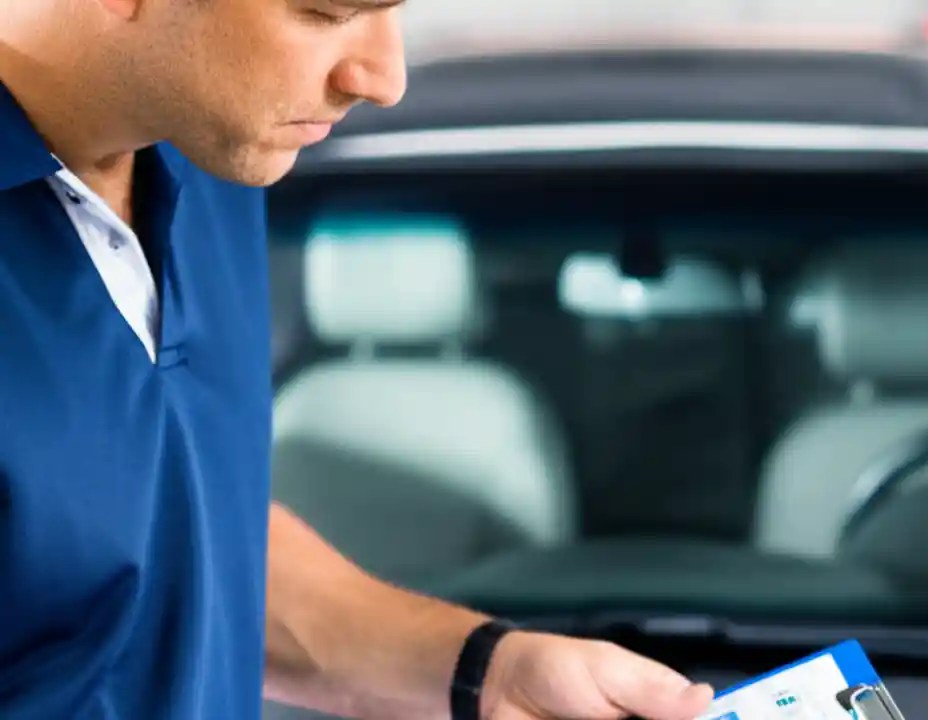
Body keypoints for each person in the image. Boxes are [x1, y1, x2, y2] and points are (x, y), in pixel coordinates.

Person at [0, 1, 716, 719]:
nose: (384, 77)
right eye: (326, 14)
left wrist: (485, 671)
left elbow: (156, 543)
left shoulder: (212, 150)